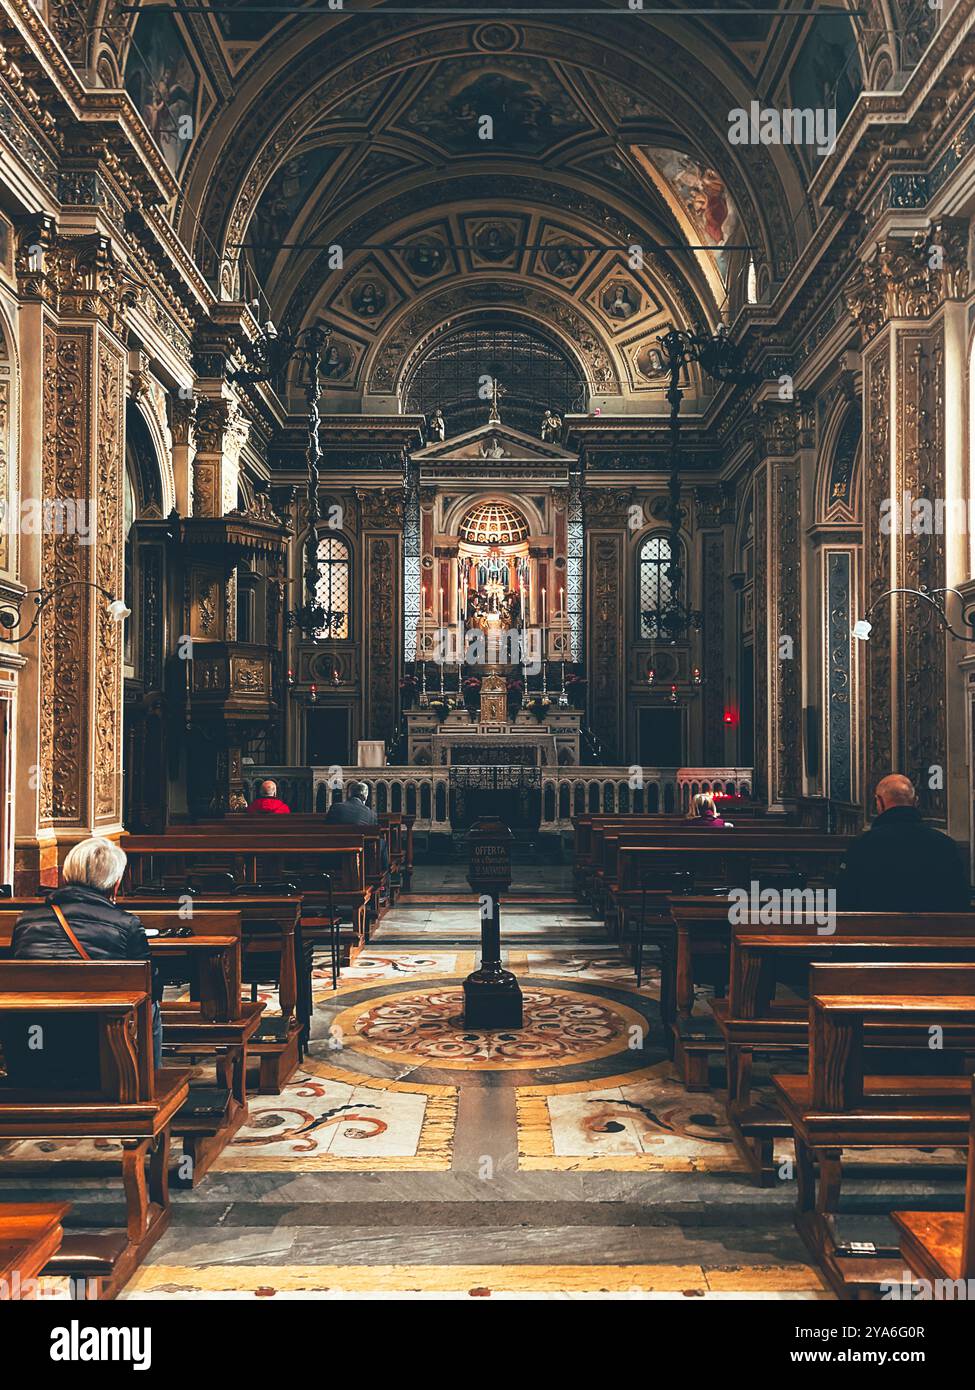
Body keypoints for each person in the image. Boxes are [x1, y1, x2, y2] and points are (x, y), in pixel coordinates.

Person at [10, 837, 162, 1072]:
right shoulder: (127, 924)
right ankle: (147, 1080)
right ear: (116, 884)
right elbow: (149, 984)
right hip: (99, 1033)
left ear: (65, 878)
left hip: (34, 1030)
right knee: (151, 1008)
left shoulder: (26, 921)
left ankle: (25, 1075)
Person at [836, 774, 971, 911]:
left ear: (879, 802)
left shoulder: (862, 845)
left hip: (875, 929)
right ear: (916, 802)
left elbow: (845, 898)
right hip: (933, 930)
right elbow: (960, 899)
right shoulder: (945, 845)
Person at [326, 781, 388, 870]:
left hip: (334, 858)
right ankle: (382, 873)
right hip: (360, 860)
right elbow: (373, 836)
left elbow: (327, 827)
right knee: (382, 842)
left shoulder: (335, 807)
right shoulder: (371, 814)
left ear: (349, 794)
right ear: (365, 797)